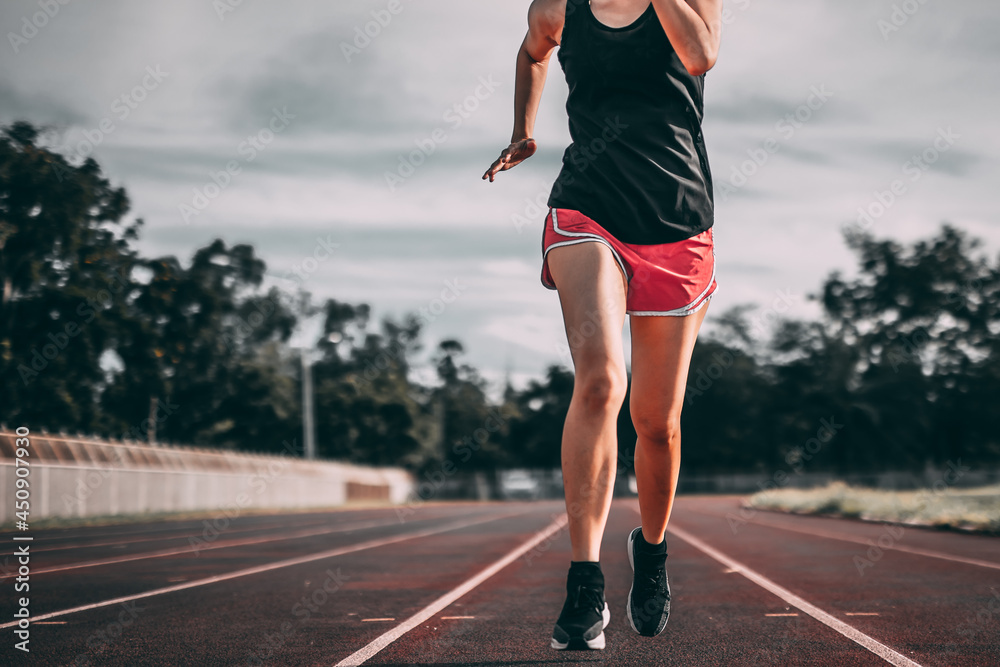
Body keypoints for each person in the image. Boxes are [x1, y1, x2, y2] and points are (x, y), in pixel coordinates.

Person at [482, 0, 722, 651]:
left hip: (677, 223)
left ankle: (651, 551)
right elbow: (533, 50)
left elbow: (700, 54)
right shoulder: (558, 4)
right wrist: (522, 129)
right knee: (599, 383)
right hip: (587, 207)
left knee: (658, 423)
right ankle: (585, 582)